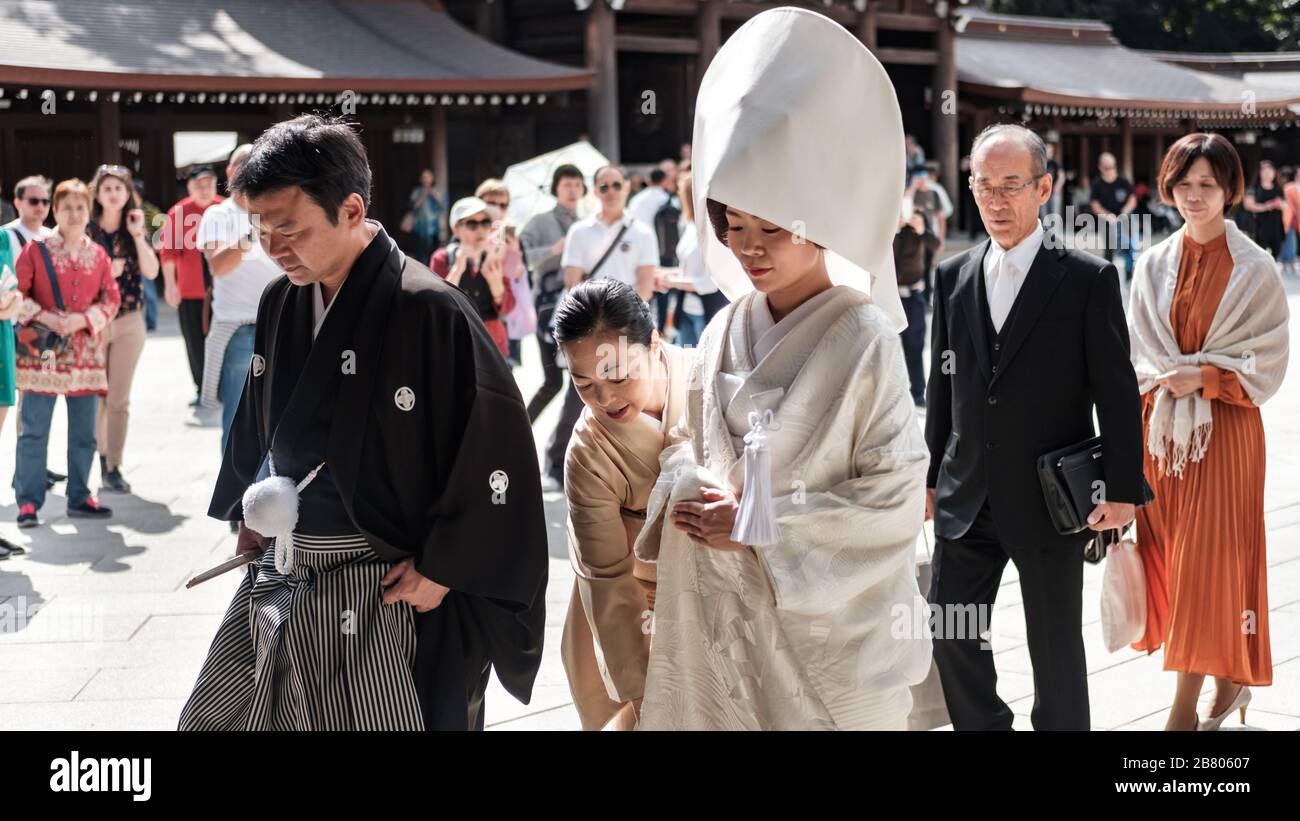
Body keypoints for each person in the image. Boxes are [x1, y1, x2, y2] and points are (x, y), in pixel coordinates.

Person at [178, 114, 548, 731]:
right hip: (292, 563)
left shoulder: (427, 308)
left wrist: (445, 566)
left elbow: (496, 453)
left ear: (351, 209)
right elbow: (266, 424)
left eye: (289, 226)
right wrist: (252, 510)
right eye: (261, 227)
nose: (273, 246)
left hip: (388, 587)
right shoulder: (282, 298)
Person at [633, 7, 931, 730]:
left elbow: (895, 498)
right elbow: (688, 448)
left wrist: (764, 521)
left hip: (818, 640)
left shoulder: (864, 336)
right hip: (724, 620)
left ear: (818, 222)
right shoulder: (728, 323)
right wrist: (689, 488)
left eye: (771, 229)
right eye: (733, 229)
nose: (748, 250)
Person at [925, 124, 1145, 731]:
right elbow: (943, 386)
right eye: (983, 185)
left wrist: (1124, 488)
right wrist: (929, 476)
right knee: (950, 635)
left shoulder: (1084, 277)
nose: (996, 200)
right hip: (966, 496)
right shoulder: (952, 276)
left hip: (1051, 498)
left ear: (1043, 188)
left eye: (1011, 185)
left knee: (1055, 652)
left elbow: (1117, 391)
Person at [1127, 133, 1290, 731]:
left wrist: (1206, 376)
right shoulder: (1150, 264)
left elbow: (1268, 360)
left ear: (1230, 191)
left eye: (1208, 185)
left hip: (1225, 435)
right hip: (1162, 438)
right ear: (1168, 187)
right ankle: (1230, 687)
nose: (1194, 196)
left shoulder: (1255, 268)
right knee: (1178, 560)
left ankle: (1182, 715)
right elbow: (1140, 351)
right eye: (1184, 184)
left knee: (1206, 565)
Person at [555, 278, 692, 730]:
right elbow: (605, 576)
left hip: (710, 585)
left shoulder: (703, 376)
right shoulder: (588, 451)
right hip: (627, 606)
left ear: (653, 345)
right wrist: (639, 689)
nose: (605, 398)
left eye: (617, 375)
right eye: (584, 384)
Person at [11, 179, 121, 526]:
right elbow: (17, 293)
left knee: (84, 430)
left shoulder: (98, 254)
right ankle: (28, 501)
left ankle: (79, 496)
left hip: (85, 350)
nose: (74, 214)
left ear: (89, 212)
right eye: (67, 207)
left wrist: (83, 319)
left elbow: (112, 299)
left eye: (81, 207)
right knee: (34, 428)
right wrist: (43, 315)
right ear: (55, 210)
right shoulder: (37, 249)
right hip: (43, 351)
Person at [541, 165, 658, 489]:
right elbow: (571, 281)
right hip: (586, 324)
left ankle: (631, 470)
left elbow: (645, 285)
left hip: (626, 325)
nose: (609, 191)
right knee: (578, 392)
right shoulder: (580, 231)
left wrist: (616, 312)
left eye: (615, 185)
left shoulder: (642, 232)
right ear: (595, 192)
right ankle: (555, 464)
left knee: (634, 393)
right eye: (603, 186)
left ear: (626, 188)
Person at [196, 144, 284, 465]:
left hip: (281, 324)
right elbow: (218, 267)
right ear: (231, 173)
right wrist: (252, 233)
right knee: (238, 418)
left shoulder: (280, 208)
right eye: (243, 164)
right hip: (240, 330)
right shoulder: (217, 214)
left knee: (280, 418)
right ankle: (236, 503)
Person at [87, 164, 159, 494]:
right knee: (97, 394)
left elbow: (152, 271)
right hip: (97, 320)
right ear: (97, 194)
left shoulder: (134, 227)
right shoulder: (87, 231)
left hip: (130, 319)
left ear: (128, 193)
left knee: (119, 397)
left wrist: (138, 236)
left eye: (119, 188)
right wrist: (106, 273)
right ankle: (97, 456)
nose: (114, 194)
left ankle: (113, 464)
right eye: (107, 189)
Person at [519, 164, 584, 425]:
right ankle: (520, 427)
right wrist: (553, 250)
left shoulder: (587, 225)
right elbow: (522, 259)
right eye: (567, 185)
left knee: (578, 378)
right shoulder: (539, 221)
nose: (572, 190)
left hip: (578, 305)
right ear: (556, 188)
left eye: (577, 185)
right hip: (547, 305)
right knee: (553, 380)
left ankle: (568, 444)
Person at [160, 165, 224, 406]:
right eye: (198, 185)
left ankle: (224, 386)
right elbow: (168, 253)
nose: (204, 189)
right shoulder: (179, 212)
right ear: (189, 187)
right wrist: (170, 285)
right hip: (189, 290)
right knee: (195, 341)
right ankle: (202, 388)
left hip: (223, 291)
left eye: (208, 183)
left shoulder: (225, 209)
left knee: (223, 341)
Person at [430, 197, 515, 359]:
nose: (481, 230)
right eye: (472, 224)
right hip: (455, 340)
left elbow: (508, 308)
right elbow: (436, 303)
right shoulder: (442, 258)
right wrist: (457, 269)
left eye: (485, 223)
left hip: (493, 343)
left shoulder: (498, 256)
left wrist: (496, 284)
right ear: (456, 230)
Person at [475, 178, 531, 367]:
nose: (497, 209)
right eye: (491, 203)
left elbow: (516, 276)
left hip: (506, 314)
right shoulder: (467, 231)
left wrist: (512, 252)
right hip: (477, 315)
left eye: (503, 204)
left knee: (506, 374)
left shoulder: (512, 237)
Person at [893, 206, 939, 407]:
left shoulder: (919, 228)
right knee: (890, 347)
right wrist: (893, 229)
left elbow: (935, 244)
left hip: (914, 296)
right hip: (892, 296)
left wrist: (921, 229)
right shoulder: (890, 230)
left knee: (915, 345)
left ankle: (918, 391)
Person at [1089, 152, 1137, 279]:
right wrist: (1107, 215)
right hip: (1106, 220)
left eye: (1113, 166)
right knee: (1109, 249)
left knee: (1128, 248)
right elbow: (1095, 205)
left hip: (1123, 218)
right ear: (1100, 168)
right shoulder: (1097, 184)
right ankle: (1108, 277)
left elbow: (1132, 199)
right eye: (1107, 167)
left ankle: (1129, 276)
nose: (1111, 170)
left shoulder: (1123, 181)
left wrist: (1125, 211)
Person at [1243, 159, 1286, 265]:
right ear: (1259, 173)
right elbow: (1248, 205)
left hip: (1276, 226)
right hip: (1258, 226)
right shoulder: (1253, 189)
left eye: (1270, 170)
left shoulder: (1279, 188)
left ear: (1274, 173)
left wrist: (1280, 205)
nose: (1267, 173)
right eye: (1264, 170)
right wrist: (1267, 206)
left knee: (1275, 255)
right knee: (1258, 255)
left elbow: (1287, 205)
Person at [404, 168, 444, 266]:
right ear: (421, 179)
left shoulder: (437, 191)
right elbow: (413, 207)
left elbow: (442, 206)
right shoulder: (417, 191)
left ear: (432, 178)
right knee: (420, 253)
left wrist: (435, 195)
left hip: (434, 227)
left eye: (428, 177)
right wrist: (423, 195)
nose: (426, 179)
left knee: (434, 252)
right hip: (420, 226)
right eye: (424, 177)